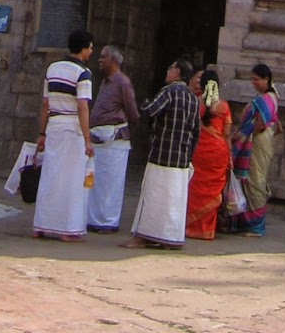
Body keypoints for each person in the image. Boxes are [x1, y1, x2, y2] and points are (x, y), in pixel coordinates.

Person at [127, 58, 200, 249]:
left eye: (171, 68)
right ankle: (170, 238)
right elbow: (196, 132)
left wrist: (142, 104)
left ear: (177, 72)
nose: (167, 71)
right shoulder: (192, 98)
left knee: (152, 197)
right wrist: (189, 155)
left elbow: (151, 110)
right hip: (181, 159)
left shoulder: (170, 92)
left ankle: (144, 236)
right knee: (173, 201)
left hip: (162, 154)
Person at [33, 28, 95, 242]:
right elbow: (83, 107)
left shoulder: (52, 69)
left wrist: (41, 133)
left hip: (54, 126)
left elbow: (45, 104)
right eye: (90, 48)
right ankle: (67, 229)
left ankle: (41, 224)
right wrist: (88, 139)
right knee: (71, 180)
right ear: (84, 48)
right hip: (73, 129)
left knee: (50, 175)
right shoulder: (83, 74)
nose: (91, 52)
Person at [87, 45, 140, 232]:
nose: (99, 60)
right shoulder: (105, 81)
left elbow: (132, 112)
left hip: (114, 140)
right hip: (98, 139)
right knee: (96, 181)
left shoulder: (123, 83)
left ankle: (108, 222)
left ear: (114, 60)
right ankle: (94, 219)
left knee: (111, 183)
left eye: (103, 57)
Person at [227, 63, 280, 236]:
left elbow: (260, 124)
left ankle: (256, 227)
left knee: (255, 182)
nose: (253, 82)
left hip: (258, 142)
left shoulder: (266, 99)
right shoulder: (267, 97)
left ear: (266, 79)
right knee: (251, 181)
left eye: (256, 79)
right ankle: (249, 223)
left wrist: (241, 135)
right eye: (252, 79)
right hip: (259, 141)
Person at [185, 67, 231, 241]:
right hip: (218, 152)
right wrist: (230, 156)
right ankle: (207, 230)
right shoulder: (224, 107)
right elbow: (226, 134)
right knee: (212, 191)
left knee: (196, 188)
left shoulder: (196, 102)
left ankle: (191, 227)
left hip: (199, 151)